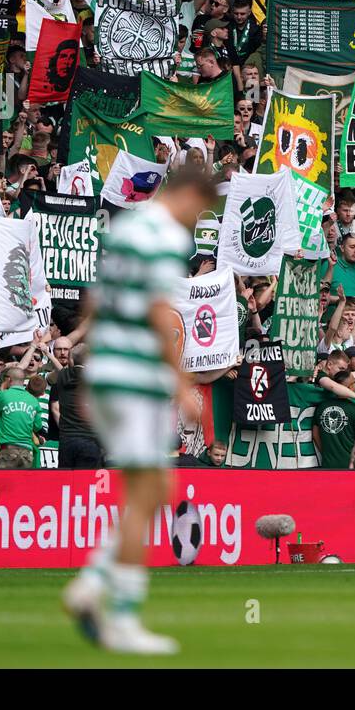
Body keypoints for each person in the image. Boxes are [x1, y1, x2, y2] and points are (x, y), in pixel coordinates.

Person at [63, 167, 217, 655]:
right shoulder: (160, 234)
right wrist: (181, 382)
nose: (194, 223)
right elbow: (156, 311)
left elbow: (97, 301)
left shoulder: (127, 229)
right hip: (134, 378)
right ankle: (121, 614)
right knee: (150, 490)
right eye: (199, 210)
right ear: (187, 194)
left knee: (151, 490)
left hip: (110, 374)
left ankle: (91, 587)